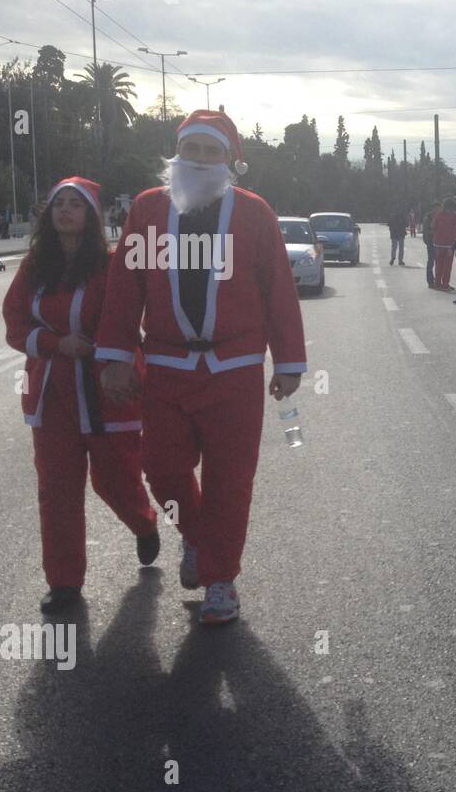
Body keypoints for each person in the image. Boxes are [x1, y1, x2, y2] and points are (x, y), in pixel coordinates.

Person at [96, 110, 307, 625]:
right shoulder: (148, 209)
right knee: (161, 468)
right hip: (166, 365)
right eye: (192, 149)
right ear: (177, 153)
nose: (200, 159)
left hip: (234, 368)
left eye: (211, 151)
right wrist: (116, 355)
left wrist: (290, 360)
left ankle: (220, 582)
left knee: (230, 480)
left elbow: (277, 287)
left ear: (230, 160)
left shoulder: (254, 213)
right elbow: (125, 288)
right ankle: (196, 534)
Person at [3, 177, 160, 612]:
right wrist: (56, 344)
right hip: (51, 394)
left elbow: (128, 315)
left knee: (113, 478)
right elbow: (15, 323)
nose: (65, 211)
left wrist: (112, 355)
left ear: (90, 216)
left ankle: (144, 523)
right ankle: (65, 584)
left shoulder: (111, 265)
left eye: (75, 204)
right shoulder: (35, 265)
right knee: (56, 491)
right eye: (59, 204)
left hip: (107, 388)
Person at [430, 198, 456, 291]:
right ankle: (445, 284)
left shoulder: (438, 215)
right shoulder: (455, 216)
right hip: (450, 245)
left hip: (438, 244)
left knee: (439, 264)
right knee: (447, 266)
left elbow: (433, 227)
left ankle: (437, 283)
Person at [422, 200, 438, 287]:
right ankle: (430, 281)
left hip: (439, 242)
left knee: (440, 263)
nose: (438, 210)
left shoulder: (440, 216)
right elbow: (426, 230)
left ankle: (439, 281)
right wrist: (435, 231)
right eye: (437, 208)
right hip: (431, 242)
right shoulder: (428, 217)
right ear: (433, 208)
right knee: (431, 261)